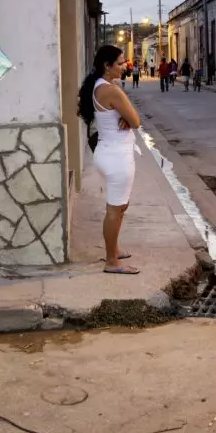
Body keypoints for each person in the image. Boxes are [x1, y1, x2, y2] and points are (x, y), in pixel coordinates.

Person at [78, 45, 142, 274]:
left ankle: (114, 250)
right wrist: (127, 118)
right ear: (107, 65)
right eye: (121, 63)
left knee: (120, 206)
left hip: (109, 153)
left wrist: (125, 117)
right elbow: (135, 120)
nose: (125, 66)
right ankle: (111, 262)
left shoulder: (100, 85)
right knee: (115, 210)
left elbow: (128, 118)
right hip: (117, 157)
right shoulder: (111, 90)